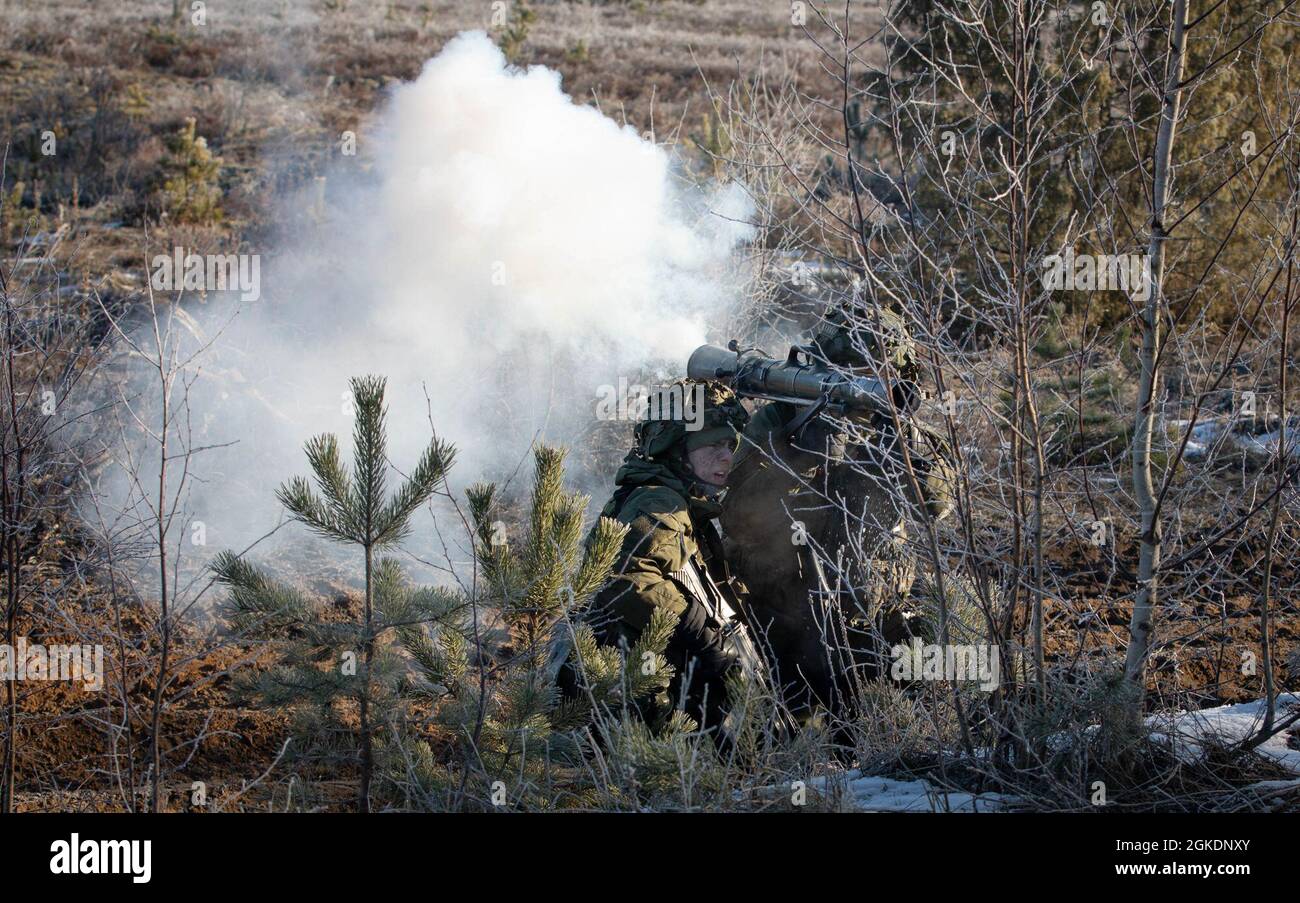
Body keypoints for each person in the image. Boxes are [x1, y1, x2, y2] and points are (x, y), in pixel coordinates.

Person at [571, 379, 757, 736]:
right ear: (677, 450)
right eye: (712, 445)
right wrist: (696, 625)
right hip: (632, 702)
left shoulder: (682, 501)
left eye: (729, 445)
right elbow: (623, 578)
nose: (726, 457)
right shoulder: (661, 503)